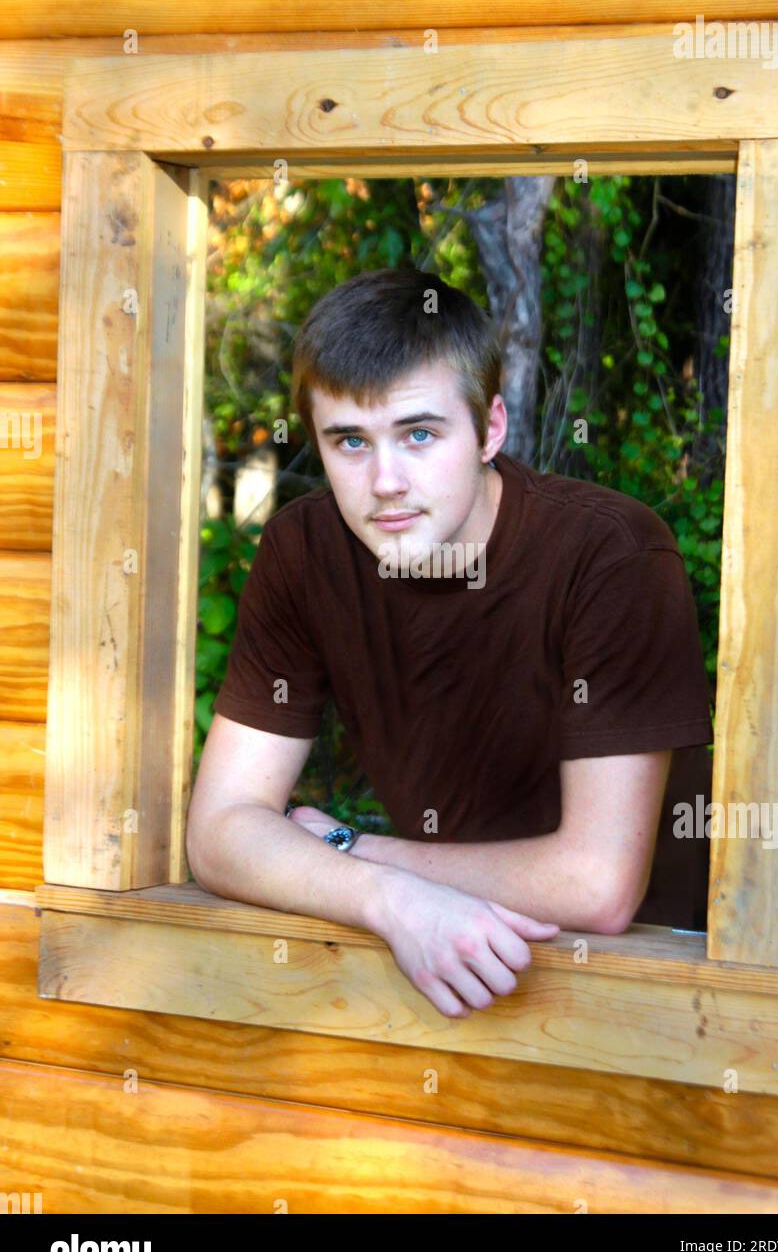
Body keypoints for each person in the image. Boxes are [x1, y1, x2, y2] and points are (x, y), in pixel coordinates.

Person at [186, 266, 714, 1019]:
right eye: (349, 442)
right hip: (445, 959)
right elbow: (220, 831)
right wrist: (390, 899)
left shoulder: (613, 556)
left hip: (658, 987)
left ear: (490, 429)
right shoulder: (304, 551)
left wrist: (354, 850)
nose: (386, 481)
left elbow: (597, 887)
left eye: (420, 434)